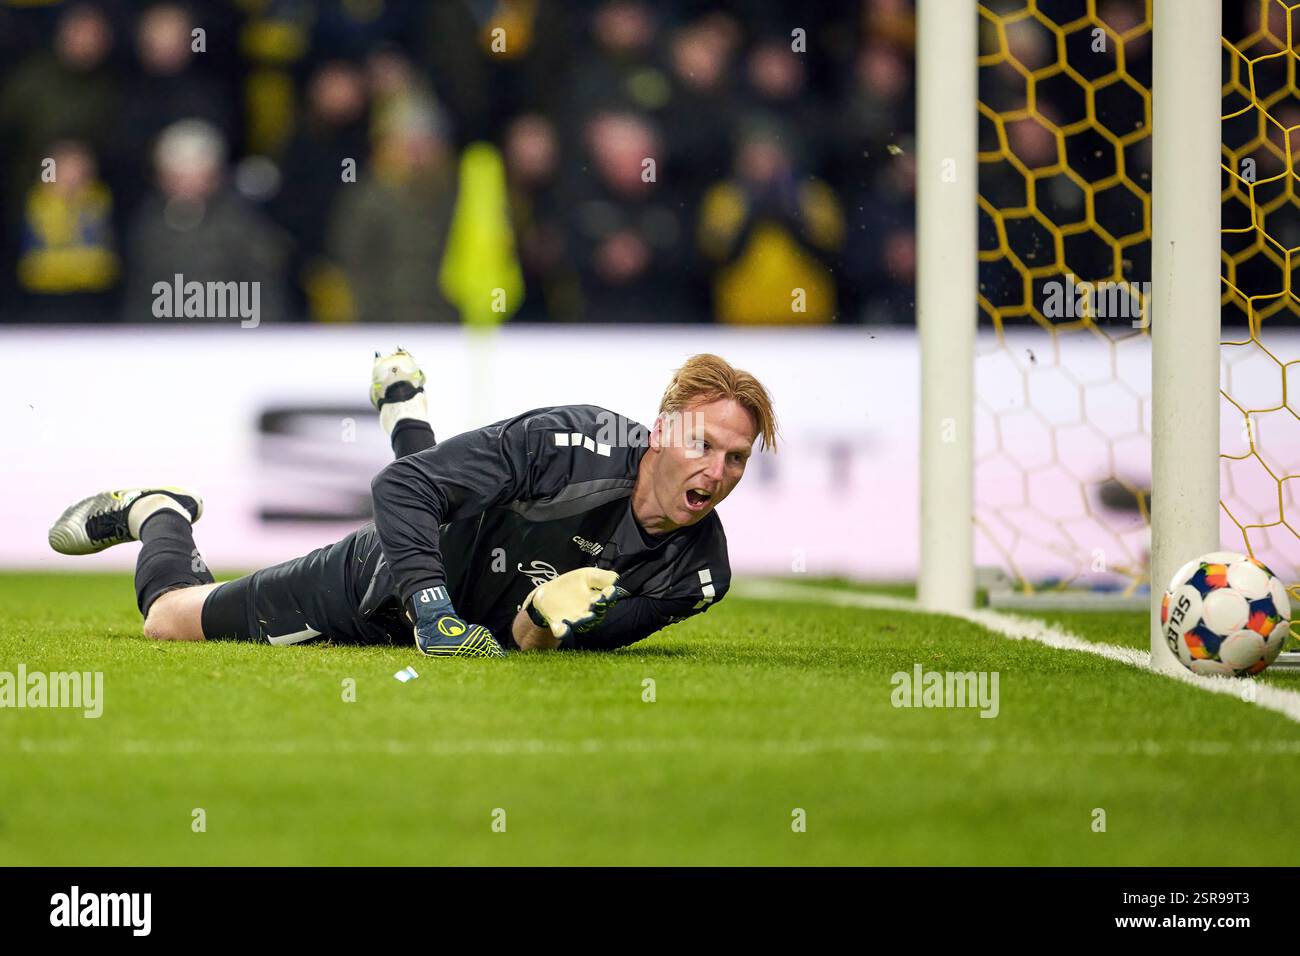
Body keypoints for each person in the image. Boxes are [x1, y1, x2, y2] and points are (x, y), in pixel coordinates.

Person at [47, 351, 778, 657]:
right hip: (385, 583)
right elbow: (402, 491)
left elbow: (543, 646)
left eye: (737, 458)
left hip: (470, 613)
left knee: (453, 497)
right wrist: (432, 610)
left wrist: (541, 620)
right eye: (704, 446)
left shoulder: (698, 576)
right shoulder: (570, 444)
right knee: (168, 622)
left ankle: (407, 415)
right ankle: (160, 511)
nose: (717, 472)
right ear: (661, 432)